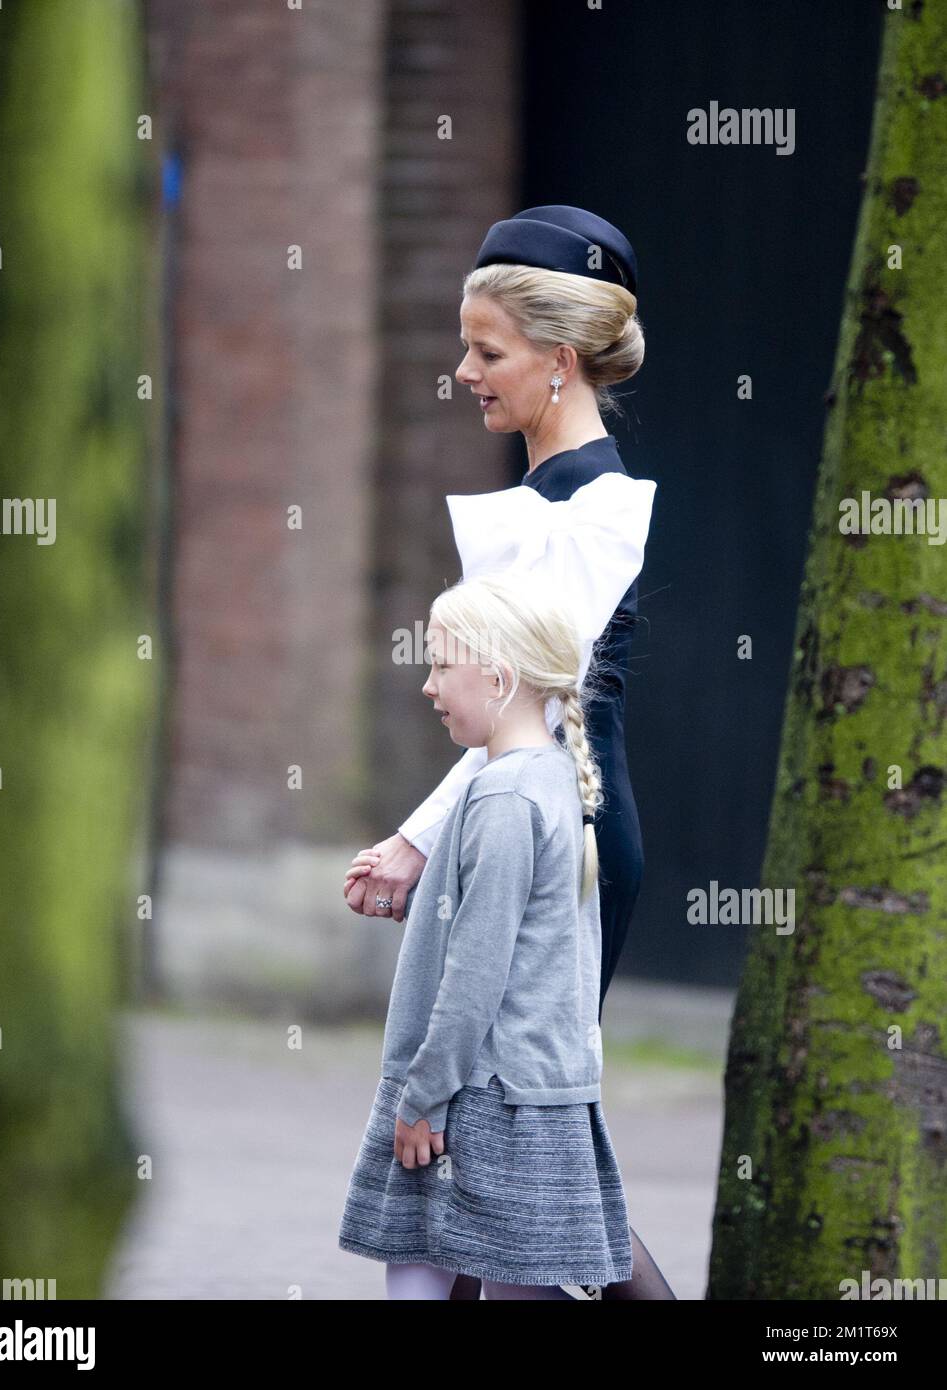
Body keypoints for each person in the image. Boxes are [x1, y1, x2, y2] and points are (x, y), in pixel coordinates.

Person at [344, 205, 675, 1300]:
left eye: (487, 352)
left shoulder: (590, 510)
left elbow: (533, 714)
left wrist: (411, 837)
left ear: (559, 360)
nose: (464, 371)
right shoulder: (545, 495)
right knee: (500, 1141)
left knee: (522, 1143)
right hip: (528, 819)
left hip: (564, 836)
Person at [338, 571, 637, 1298]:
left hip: (475, 1098)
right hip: (525, 1092)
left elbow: (476, 973)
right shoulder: (549, 779)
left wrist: (423, 1098)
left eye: (441, 664)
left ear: (498, 678)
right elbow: (513, 930)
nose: (428, 686)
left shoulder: (503, 793)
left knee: (416, 1271)